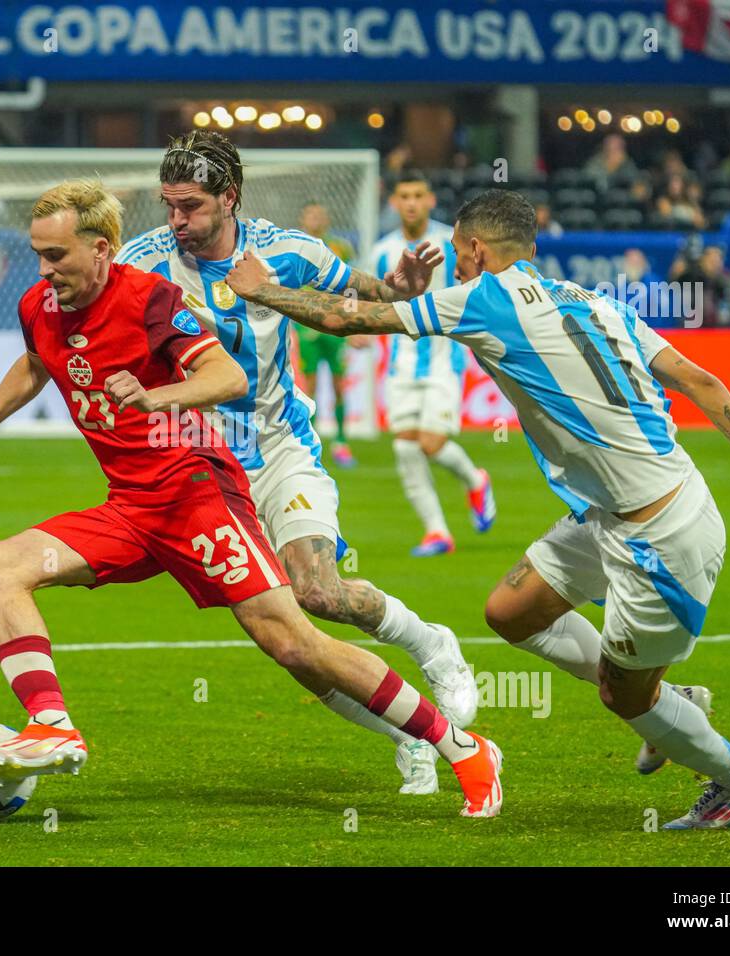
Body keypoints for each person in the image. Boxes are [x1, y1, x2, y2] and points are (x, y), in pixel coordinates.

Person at [225, 188, 730, 830]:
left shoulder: (483, 298)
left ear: (478, 251)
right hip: (615, 513)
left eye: (457, 254)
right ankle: (670, 700)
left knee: (623, 696)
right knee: (510, 612)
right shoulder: (594, 301)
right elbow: (702, 381)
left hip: (661, 536)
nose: (455, 266)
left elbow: (345, 319)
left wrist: (263, 289)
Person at [0, 179, 503, 816]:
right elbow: (37, 360)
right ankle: (52, 726)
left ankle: (463, 748)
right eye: (38, 254)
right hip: (130, 507)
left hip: (198, 494)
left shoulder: (150, 297)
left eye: (57, 256)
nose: (45, 270)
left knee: (295, 641)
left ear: (100, 250)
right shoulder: (41, 304)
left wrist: (156, 398)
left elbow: (226, 374)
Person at [114, 131, 478, 796]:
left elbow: (367, 295)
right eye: (168, 205)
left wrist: (402, 286)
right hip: (202, 469)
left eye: (190, 206)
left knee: (318, 592)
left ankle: (432, 644)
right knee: (287, 642)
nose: (176, 221)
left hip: (279, 446)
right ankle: (413, 736)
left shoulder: (286, 250)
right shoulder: (143, 263)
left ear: (230, 198)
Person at [370, 169, 495, 558]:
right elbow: (378, 297)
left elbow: (476, 284)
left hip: (444, 359)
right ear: (394, 202)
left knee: (430, 442)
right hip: (400, 363)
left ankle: (475, 479)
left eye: (417, 195)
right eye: (403, 194)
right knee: (406, 448)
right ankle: (437, 532)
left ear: (429, 200)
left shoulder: (450, 241)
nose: (410, 202)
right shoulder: (381, 252)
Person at [295, 201, 362, 468]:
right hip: (307, 327)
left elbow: (352, 286)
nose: (316, 219)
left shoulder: (340, 248)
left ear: (327, 219)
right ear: (303, 220)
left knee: (338, 385)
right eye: (311, 215)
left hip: (336, 327)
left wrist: (354, 321)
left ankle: (342, 442)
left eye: (320, 214)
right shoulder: (295, 247)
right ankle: (312, 442)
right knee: (309, 386)